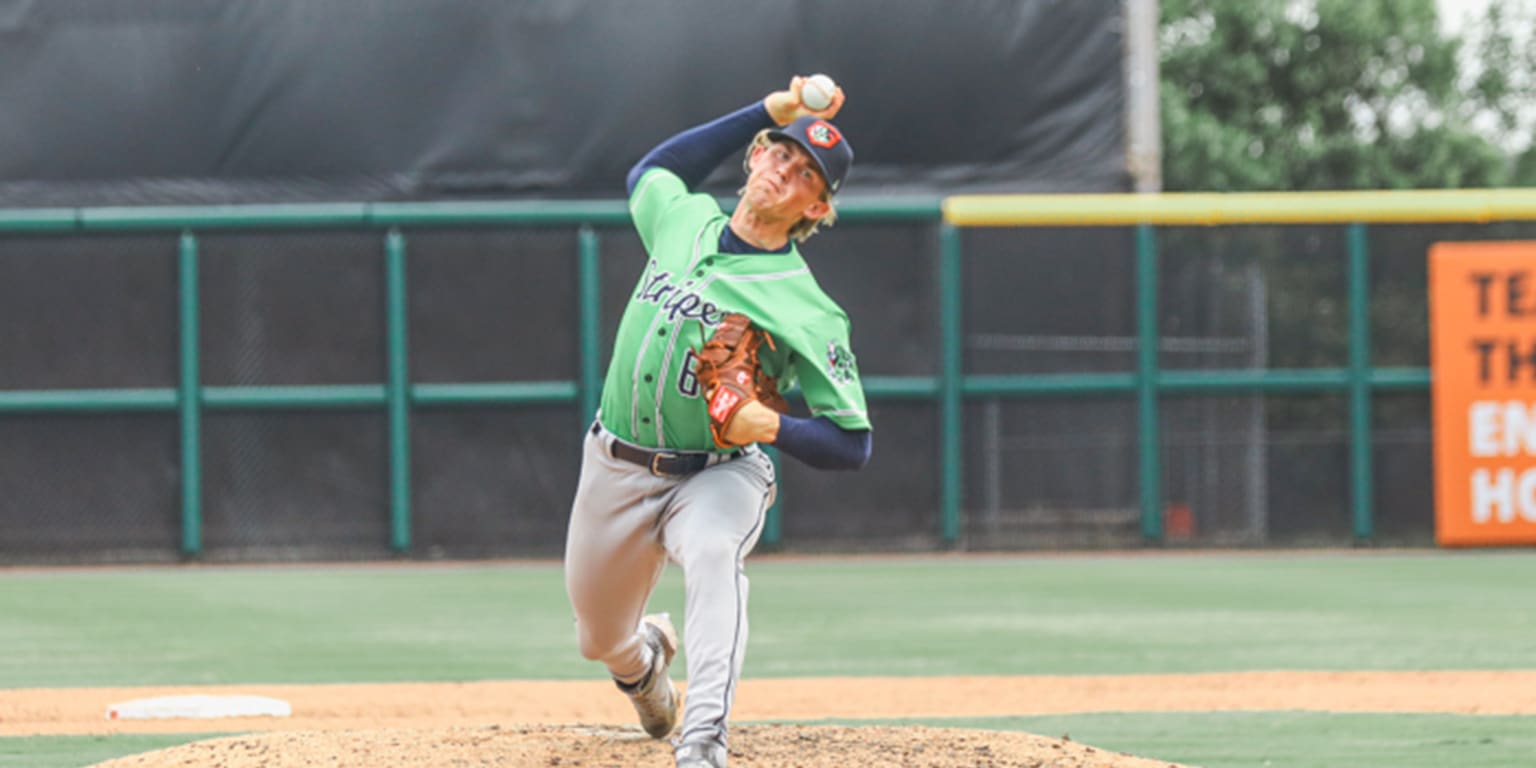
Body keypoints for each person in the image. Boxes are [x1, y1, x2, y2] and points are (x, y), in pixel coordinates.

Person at [562, 75, 872, 768]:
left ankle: (703, 742)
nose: (785, 172)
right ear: (757, 155)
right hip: (614, 462)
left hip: (718, 472)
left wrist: (769, 425)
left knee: (711, 553)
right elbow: (653, 171)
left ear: (816, 208)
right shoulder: (687, 220)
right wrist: (771, 109)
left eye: (805, 176)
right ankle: (645, 664)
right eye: (781, 154)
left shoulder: (807, 308)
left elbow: (853, 444)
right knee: (598, 639)